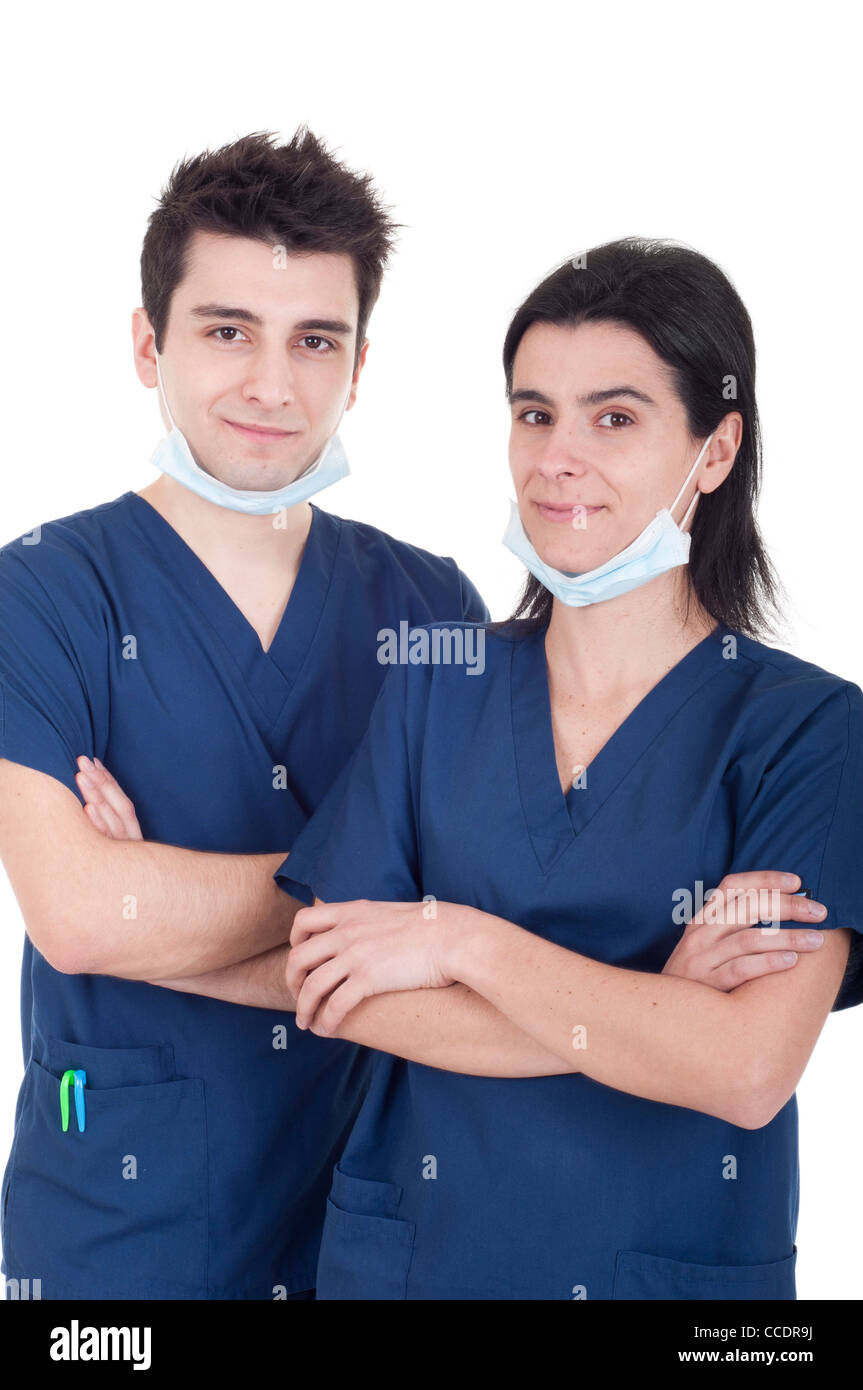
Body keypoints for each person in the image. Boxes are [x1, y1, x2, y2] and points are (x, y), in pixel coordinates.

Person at [74, 238, 861, 1301]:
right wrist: (649, 1013)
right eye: (534, 413)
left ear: (713, 451)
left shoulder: (806, 730)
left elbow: (744, 1070)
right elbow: (330, 985)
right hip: (410, 1265)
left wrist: (456, 940)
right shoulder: (437, 687)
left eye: (613, 418)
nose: (556, 458)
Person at [0, 127, 488, 1301]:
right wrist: (376, 905)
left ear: (359, 366)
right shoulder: (45, 592)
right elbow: (77, 916)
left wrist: (164, 897)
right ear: (145, 342)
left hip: (381, 1221)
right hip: (124, 1239)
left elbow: (488, 941)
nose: (273, 384)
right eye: (228, 331)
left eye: (314, 340)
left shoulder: (432, 604)